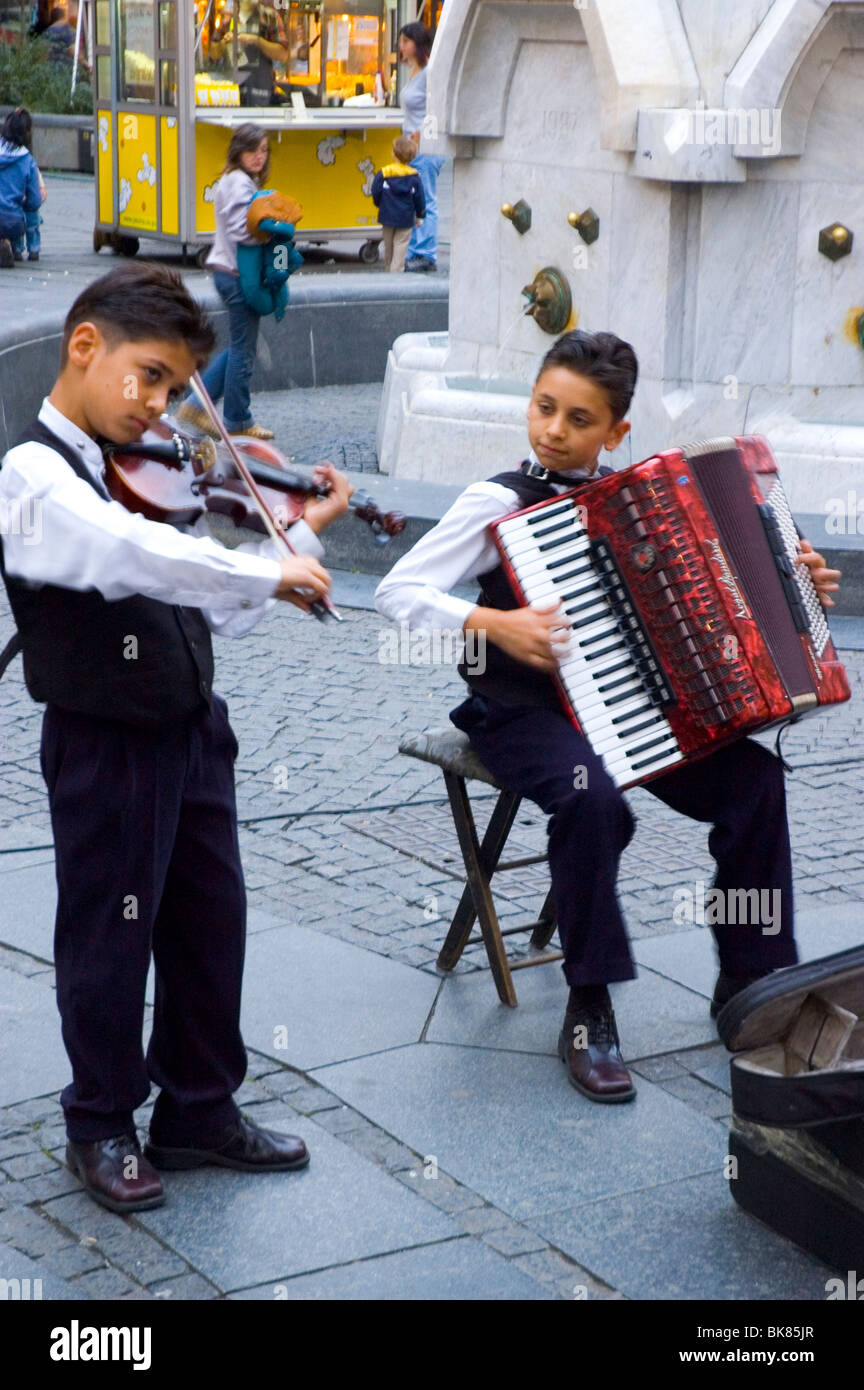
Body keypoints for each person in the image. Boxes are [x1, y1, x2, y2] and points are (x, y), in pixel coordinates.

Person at [375, 329, 841, 1104]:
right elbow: (398, 592)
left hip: (632, 708)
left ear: (616, 432)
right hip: (520, 713)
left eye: (578, 419)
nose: (553, 430)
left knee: (755, 785)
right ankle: (589, 1008)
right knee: (595, 802)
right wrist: (495, 627)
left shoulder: (643, 502)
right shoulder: (498, 501)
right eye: (544, 407)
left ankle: (749, 978)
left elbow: (728, 607)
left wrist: (800, 592)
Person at [0, 263, 352, 1212]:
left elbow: (205, 607)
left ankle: (199, 1108)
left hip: (192, 727)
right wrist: (262, 571)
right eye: (149, 377)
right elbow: (131, 553)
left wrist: (298, 540)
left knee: (209, 923)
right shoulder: (33, 474)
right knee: (109, 937)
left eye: (171, 387)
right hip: (107, 742)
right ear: (85, 347)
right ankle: (100, 1122)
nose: (160, 406)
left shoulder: (142, 473)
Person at [177, 123, 276, 442]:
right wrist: (273, 230)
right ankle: (237, 418)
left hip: (228, 272)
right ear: (238, 151)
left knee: (238, 347)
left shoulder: (236, 180)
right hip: (237, 275)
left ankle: (197, 404)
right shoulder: (238, 183)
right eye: (253, 150)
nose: (259, 157)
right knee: (242, 352)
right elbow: (241, 229)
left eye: (263, 150)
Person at [398, 21, 444, 274]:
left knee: (425, 198)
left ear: (418, 44)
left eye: (406, 41)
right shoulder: (415, 72)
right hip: (413, 147)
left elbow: (438, 106)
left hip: (424, 147)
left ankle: (426, 253)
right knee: (416, 198)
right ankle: (417, 251)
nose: (401, 47)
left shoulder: (428, 73)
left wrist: (421, 133)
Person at [371, 135, 425, 273]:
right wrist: (420, 215)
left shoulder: (384, 173)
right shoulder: (414, 176)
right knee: (401, 246)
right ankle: (396, 273)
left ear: (393, 154)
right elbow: (419, 198)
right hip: (405, 218)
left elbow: (375, 192)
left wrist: (380, 204)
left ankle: (388, 269)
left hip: (387, 215)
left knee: (388, 246)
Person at [0, 108, 44, 269]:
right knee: (12, 217)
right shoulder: (27, 161)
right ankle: (12, 246)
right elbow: (34, 202)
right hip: (14, 222)